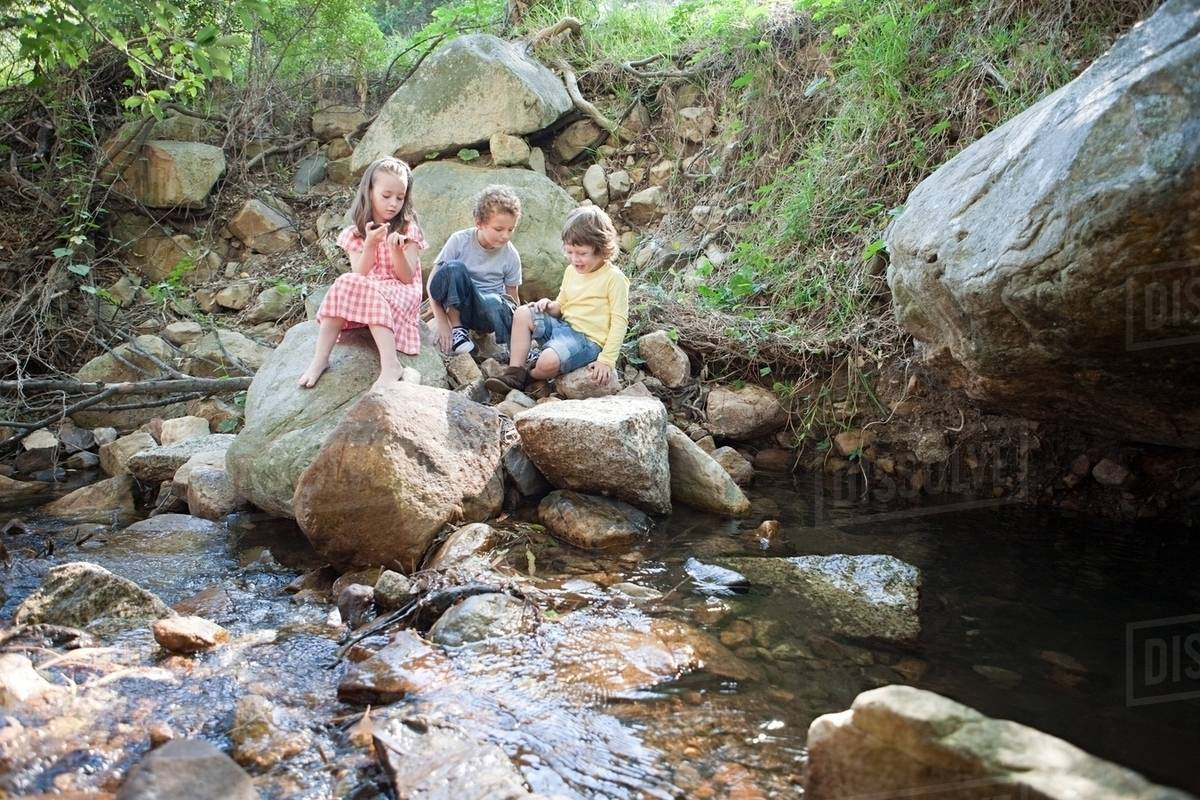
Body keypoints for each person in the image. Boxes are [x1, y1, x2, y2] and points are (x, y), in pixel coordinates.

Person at [297, 157, 426, 389]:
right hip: (369, 290)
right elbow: (360, 273)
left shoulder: (408, 228)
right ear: (369, 191)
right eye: (386, 196)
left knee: (365, 287)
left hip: (402, 291)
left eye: (400, 197)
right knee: (347, 280)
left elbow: (407, 278)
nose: (393, 203)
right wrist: (371, 245)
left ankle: (391, 366)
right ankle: (320, 358)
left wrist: (396, 251)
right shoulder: (355, 232)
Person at [485, 206, 629, 394]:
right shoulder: (572, 271)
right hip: (562, 327)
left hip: (587, 341)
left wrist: (606, 360)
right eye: (570, 252)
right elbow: (563, 305)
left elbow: (619, 322)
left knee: (548, 362)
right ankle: (515, 372)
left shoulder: (614, 278)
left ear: (601, 249)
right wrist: (549, 306)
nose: (574, 259)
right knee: (522, 313)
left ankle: (530, 376)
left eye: (582, 253)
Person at [427, 185, 523, 355]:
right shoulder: (459, 241)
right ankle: (458, 330)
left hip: (485, 313)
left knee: (497, 301)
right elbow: (432, 283)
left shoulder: (510, 255)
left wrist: (521, 337)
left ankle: (507, 348)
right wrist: (442, 322)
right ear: (479, 223)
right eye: (499, 229)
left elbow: (513, 300)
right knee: (454, 268)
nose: (505, 236)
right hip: (457, 304)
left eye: (511, 229)